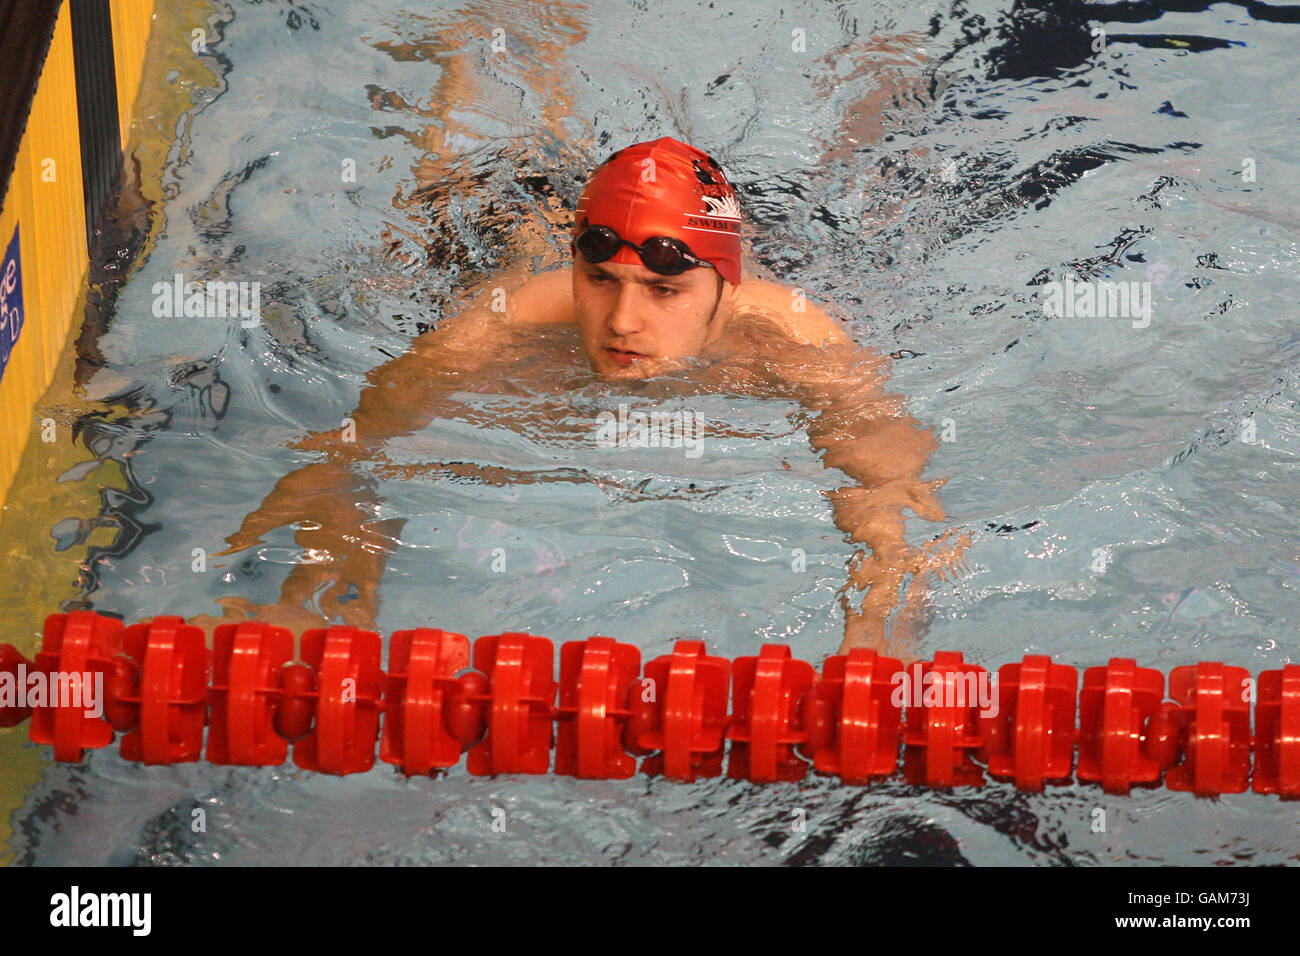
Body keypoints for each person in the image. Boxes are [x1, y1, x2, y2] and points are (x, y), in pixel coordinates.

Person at [191, 137, 966, 656]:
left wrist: (886, 576)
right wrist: (338, 516)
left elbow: (887, 476)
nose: (623, 322)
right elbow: (359, 442)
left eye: (664, 291)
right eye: (599, 281)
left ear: (726, 293)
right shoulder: (514, 318)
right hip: (508, 239)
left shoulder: (797, 338)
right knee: (466, 190)